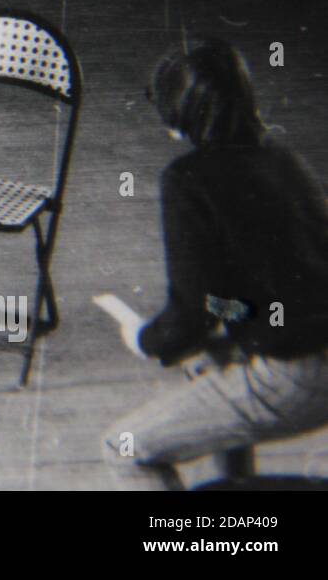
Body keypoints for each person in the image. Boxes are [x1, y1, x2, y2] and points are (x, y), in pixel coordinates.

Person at [101, 40, 328, 488]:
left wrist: (146, 339)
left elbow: (194, 312)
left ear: (178, 117)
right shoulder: (284, 159)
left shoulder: (188, 179)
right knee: (210, 368)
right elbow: (246, 300)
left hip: (294, 379)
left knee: (124, 448)